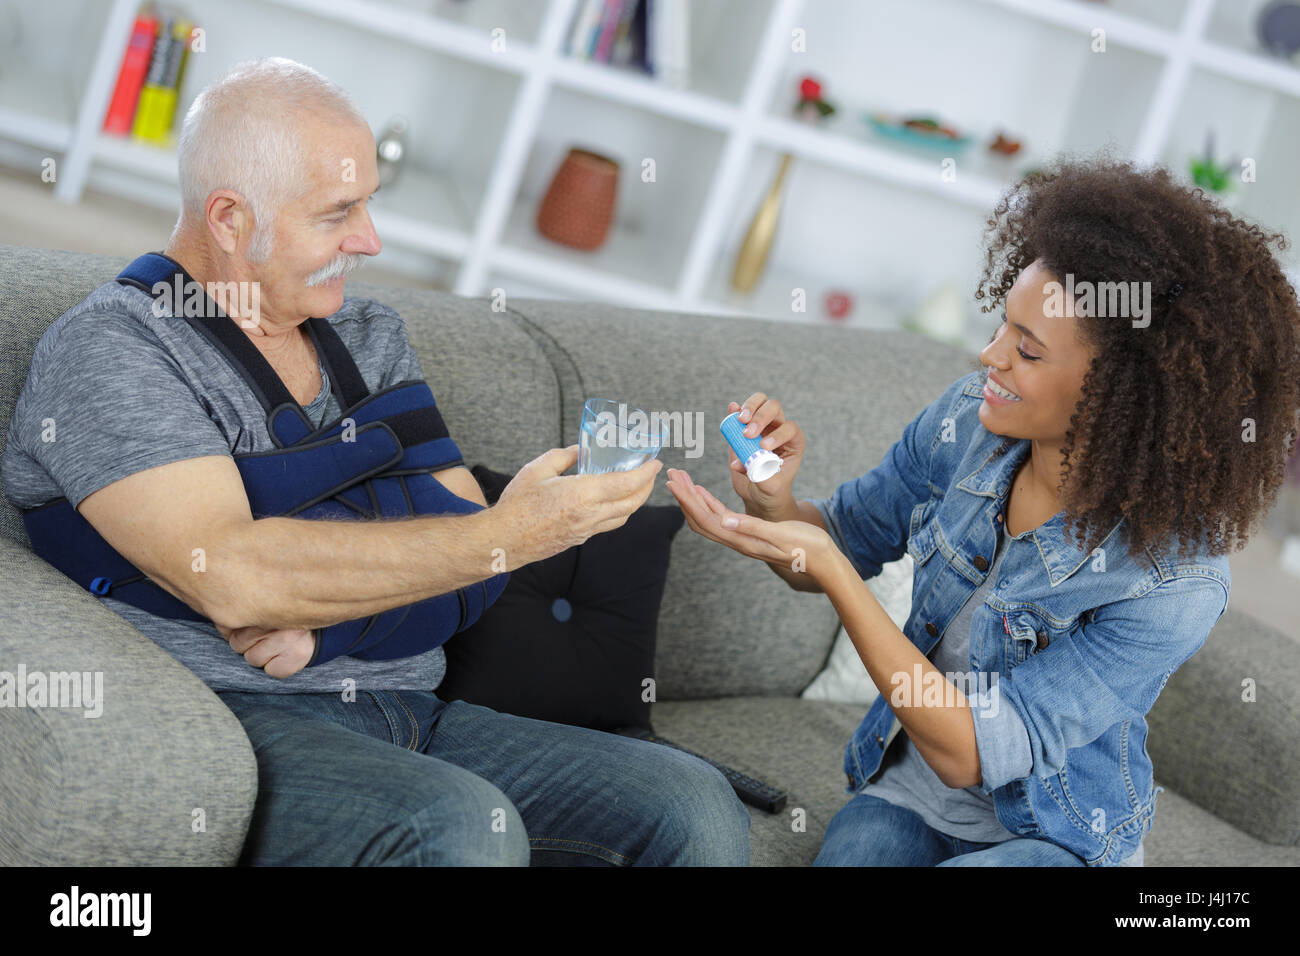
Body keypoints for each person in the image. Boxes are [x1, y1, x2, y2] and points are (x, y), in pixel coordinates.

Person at [1, 57, 750, 866]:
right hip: (238, 720)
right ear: (228, 217)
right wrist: (506, 532)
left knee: (694, 804)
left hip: (412, 708)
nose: (370, 239)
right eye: (337, 213)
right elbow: (233, 573)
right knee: (457, 824)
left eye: (370, 204)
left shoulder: (369, 338)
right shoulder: (115, 349)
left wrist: (327, 615)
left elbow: (474, 570)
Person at [666, 157, 1300, 866]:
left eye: (1026, 350)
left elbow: (972, 750)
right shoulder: (965, 423)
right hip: (908, 793)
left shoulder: (1174, 582)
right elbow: (836, 544)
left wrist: (840, 579)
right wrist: (772, 499)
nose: (990, 356)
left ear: (1125, 396)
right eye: (1004, 328)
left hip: (1052, 835)